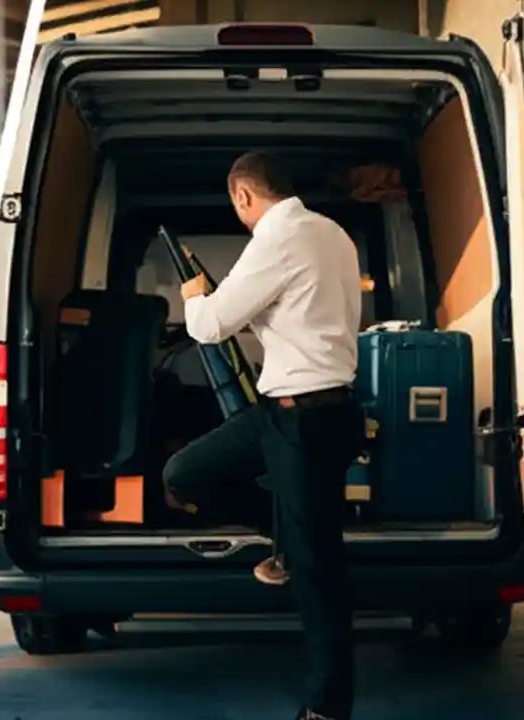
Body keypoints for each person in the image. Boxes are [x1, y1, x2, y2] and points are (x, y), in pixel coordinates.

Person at [162, 151, 364, 720]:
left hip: (304, 419)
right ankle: (283, 536)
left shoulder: (277, 238)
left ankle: (328, 708)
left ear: (244, 196)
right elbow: (297, 314)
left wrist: (195, 292)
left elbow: (207, 326)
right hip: (306, 411)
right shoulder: (333, 234)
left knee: (320, 574)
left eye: (238, 206)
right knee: (184, 470)